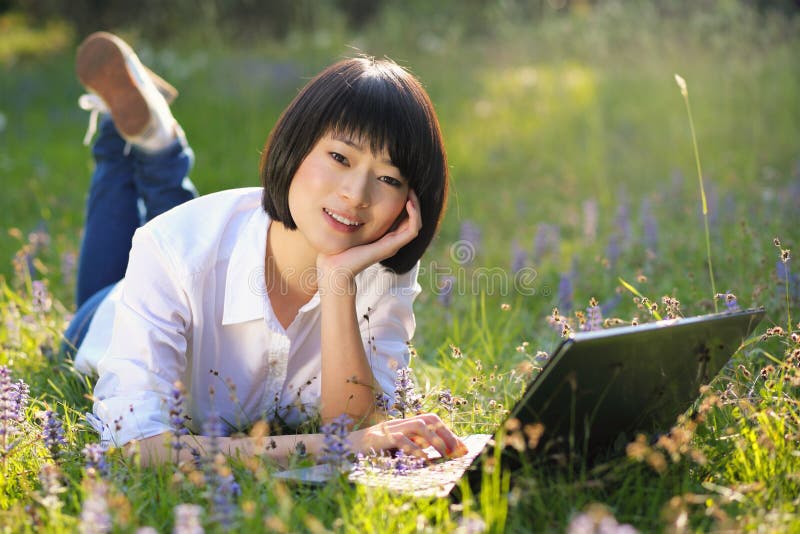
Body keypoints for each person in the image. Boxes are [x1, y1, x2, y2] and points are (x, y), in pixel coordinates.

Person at [63, 31, 466, 466]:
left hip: (204, 246)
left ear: (410, 200)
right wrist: (330, 449)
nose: (356, 194)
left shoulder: (378, 260)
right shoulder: (169, 248)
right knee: (168, 238)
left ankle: (155, 137)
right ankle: (131, 134)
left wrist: (337, 282)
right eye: (340, 158)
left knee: (196, 234)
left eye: (388, 179)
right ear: (296, 147)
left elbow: (358, 426)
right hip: (107, 314)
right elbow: (136, 448)